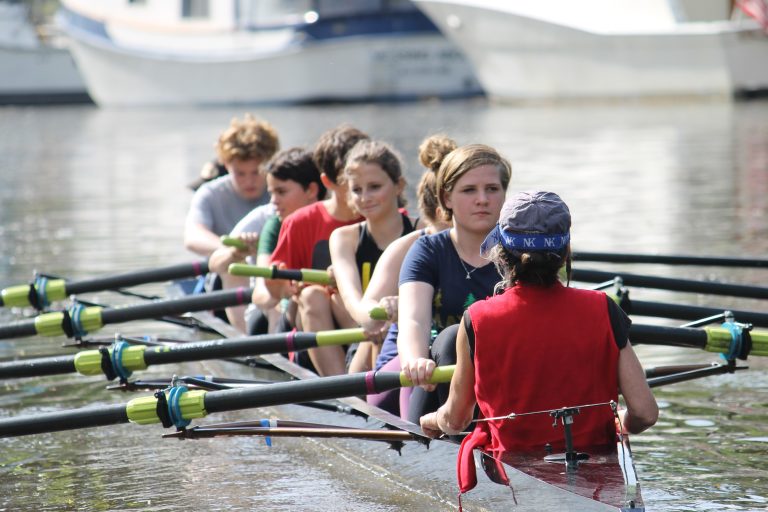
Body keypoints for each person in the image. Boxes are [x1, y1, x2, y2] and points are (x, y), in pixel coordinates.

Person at [419, 190, 658, 495]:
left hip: (512, 479)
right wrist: (619, 423)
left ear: (500, 253)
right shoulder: (603, 307)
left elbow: (455, 420)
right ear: (565, 252)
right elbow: (645, 413)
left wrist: (430, 419)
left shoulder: (477, 318)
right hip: (596, 481)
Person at [397, 144, 511, 423]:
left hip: (507, 375)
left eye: (492, 189)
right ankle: (450, 432)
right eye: (469, 190)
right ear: (447, 198)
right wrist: (414, 359)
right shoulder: (427, 251)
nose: (482, 199)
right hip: (441, 374)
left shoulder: (520, 252)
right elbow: (413, 320)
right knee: (451, 337)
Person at [352, 134, 456, 416]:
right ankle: (413, 440)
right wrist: (386, 307)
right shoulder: (411, 248)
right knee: (425, 358)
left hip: (453, 364)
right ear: (442, 210)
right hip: (402, 370)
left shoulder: (488, 248)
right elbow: (365, 316)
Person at [264, 125, 367, 376]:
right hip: (309, 316)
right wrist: (285, 285)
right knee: (314, 296)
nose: (363, 193)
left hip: (360, 312)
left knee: (339, 298)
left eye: (370, 182)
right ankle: (344, 390)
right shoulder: (299, 222)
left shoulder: (385, 219)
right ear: (328, 182)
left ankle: (363, 383)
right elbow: (275, 289)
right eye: (351, 182)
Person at [207, 147, 324, 333]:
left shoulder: (336, 219)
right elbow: (261, 293)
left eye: (281, 192)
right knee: (281, 306)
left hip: (315, 309)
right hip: (270, 315)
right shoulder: (272, 222)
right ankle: (277, 359)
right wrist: (282, 292)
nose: (274, 201)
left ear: (311, 190)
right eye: (271, 193)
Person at [329, 139, 417, 374]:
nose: (365, 197)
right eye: (357, 190)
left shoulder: (423, 231)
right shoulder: (343, 239)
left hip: (418, 334)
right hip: (366, 337)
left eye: (374, 187)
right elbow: (355, 304)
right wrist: (380, 315)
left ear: (399, 186)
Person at [184, 113, 279, 258]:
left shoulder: (282, 192)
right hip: (226, 269)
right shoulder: (209, 194)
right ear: (226, 165)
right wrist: (234, 250)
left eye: (256, 172)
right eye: (240, 173)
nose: (249, 181)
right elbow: (193, 238)